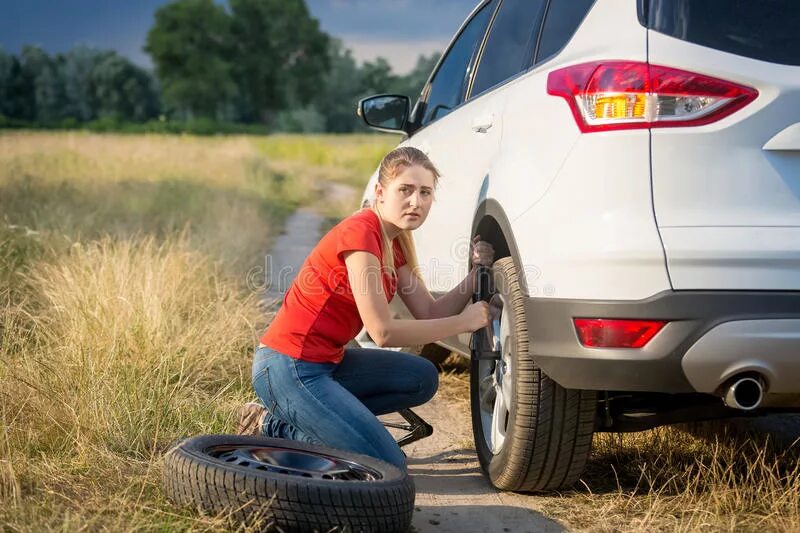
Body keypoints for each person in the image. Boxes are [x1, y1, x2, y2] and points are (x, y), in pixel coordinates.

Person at [237, 146, 494, 470]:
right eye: (406, 190)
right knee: (386, 464)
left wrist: (474, 278)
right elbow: (382, 332)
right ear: (380, 192)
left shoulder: (395, 243)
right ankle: (271, 424)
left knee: (422, 377)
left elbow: (429, 313)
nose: (416, 202)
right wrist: (463, 322)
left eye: (425, 192)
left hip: (327, 364)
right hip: (287, 366)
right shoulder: (361, 232)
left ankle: (322, 421)